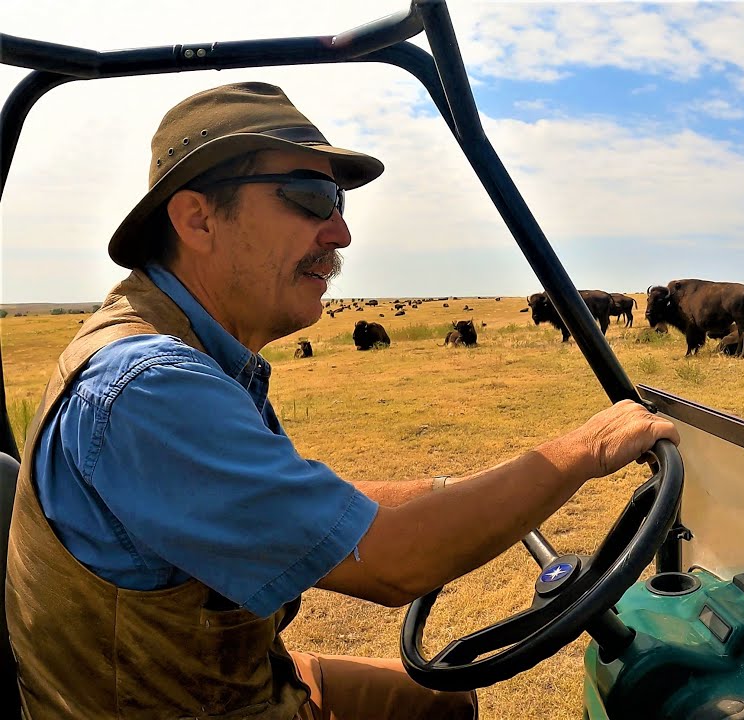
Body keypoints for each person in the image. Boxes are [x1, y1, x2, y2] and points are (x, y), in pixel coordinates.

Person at [5, 82, 679, 719]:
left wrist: (462, 490)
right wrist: (583, 451)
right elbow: (394, 564)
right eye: (308, 197)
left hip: (223, 681)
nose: (340, 234)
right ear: (197, 218)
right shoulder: (150, 390)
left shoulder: (188, 356)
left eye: (340, 204)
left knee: (439, 701)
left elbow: (321, 509)